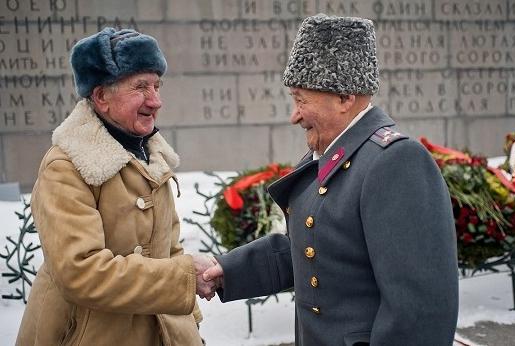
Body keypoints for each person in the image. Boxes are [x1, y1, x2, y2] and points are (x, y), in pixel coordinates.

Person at [203, 14, 459, 345]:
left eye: (301, 99)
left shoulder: (395, 162)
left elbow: (419, 311)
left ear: (344, 97)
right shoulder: (334, 157)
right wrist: (227, 270)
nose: (294, 116)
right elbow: (317, 250)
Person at [16, 27, 215, 345]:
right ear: (101, 97)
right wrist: (183, 277)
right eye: (141, 87)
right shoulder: (65, 168)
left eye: (156, 86)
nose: (156, 101)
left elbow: (169, 251)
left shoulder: (152, 157)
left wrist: (189, 329)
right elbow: (80, 271)